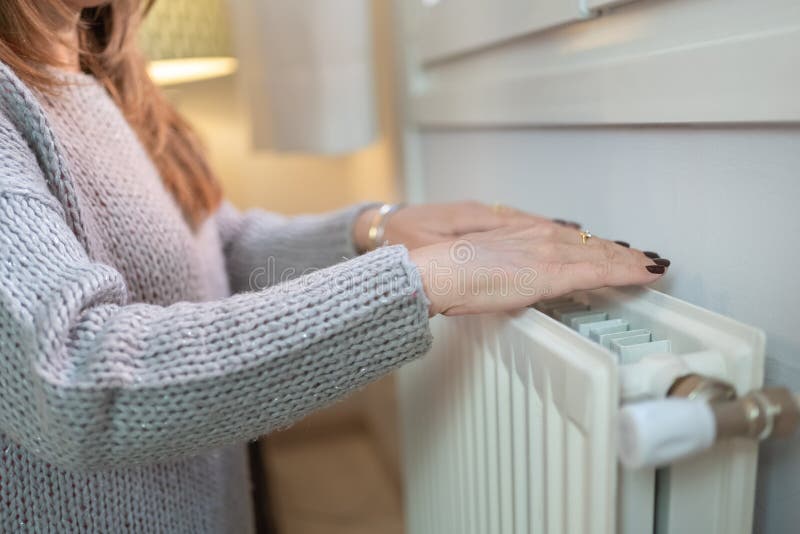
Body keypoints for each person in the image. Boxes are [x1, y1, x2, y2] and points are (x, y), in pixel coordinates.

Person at [0, 0, 670, 532]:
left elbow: (217, 255)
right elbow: (70, 378)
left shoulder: (109, 82)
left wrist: (373, 230)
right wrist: (425, 279)